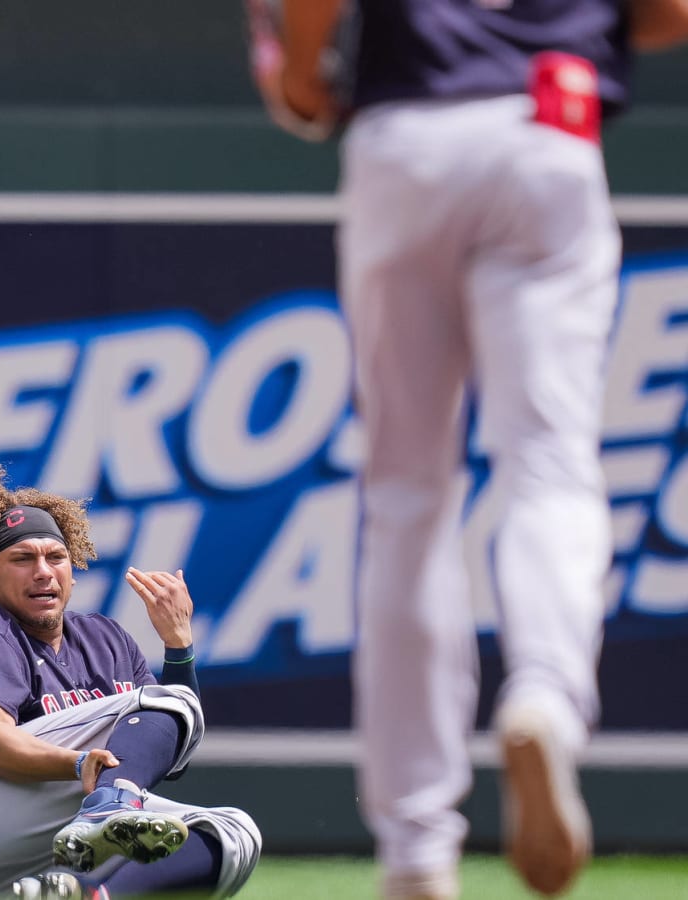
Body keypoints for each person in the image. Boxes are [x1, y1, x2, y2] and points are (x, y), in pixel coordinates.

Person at [262, 1, 688, 897]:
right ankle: (544, 700)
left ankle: (417, 849)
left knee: (406, 500)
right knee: (551, 464)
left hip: (408, 130)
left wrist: (304, 72)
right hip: (548, 123)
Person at [0, 465, 261, 899]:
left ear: (72, 570)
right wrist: (81, 767)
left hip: (53, 843)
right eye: (23, 559)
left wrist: (178, 647)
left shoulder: (108, 639)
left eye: (55, 557)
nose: (43, 571)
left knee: (232, 836)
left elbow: (170, 752)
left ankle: (88, 892)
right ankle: (108, 806)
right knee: (162, 704)